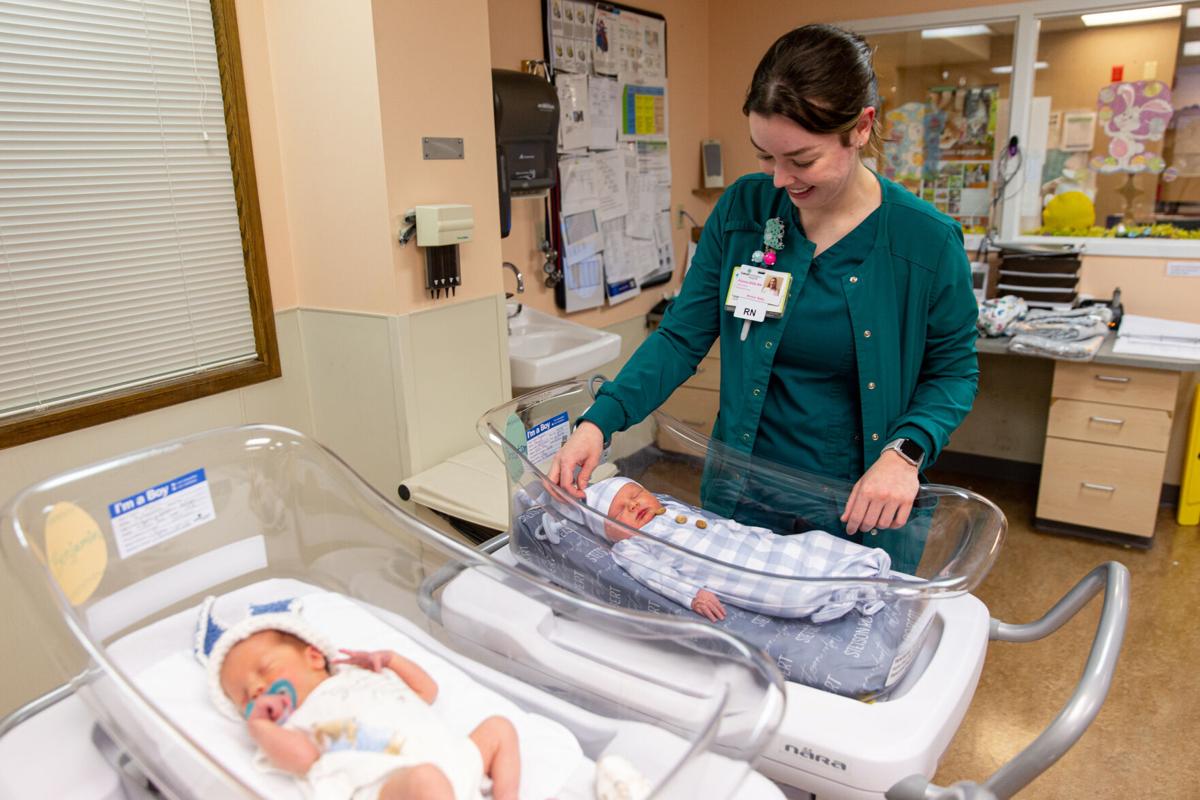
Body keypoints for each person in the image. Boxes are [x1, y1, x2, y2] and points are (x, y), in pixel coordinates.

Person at [550, 24, 978, 573]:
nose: (780, 180)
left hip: (859, 507)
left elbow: (954, 373)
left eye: (801, 161)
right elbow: (681, 336)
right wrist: (598, 421)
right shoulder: (744, 213)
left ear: (861, 127)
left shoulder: (925, 242)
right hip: (744, 496)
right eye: (765, 157)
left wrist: (905, 454)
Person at [198, 597, 520, 800]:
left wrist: (392, 660)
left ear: (313, 656)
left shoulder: (361, 676)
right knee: (426, 780)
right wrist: (259, 725)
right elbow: (302, 760)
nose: (256, 688)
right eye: (244, 695)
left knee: (499, 728)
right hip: (389, 782)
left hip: (451, 760)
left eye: (265, 669)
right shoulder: (293, 723)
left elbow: (427, 692)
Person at [584, 476, 892, 623]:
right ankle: (833, 593)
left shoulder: (664, 507)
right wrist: (692, 594)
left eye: (636, 494)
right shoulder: (629, 547)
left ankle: (858, 567)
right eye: (618, 512)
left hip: (756, 545)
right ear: (609, 532)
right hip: (731, 571)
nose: (635, 504)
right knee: (783, 587)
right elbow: (655, 574)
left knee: (810, 545)